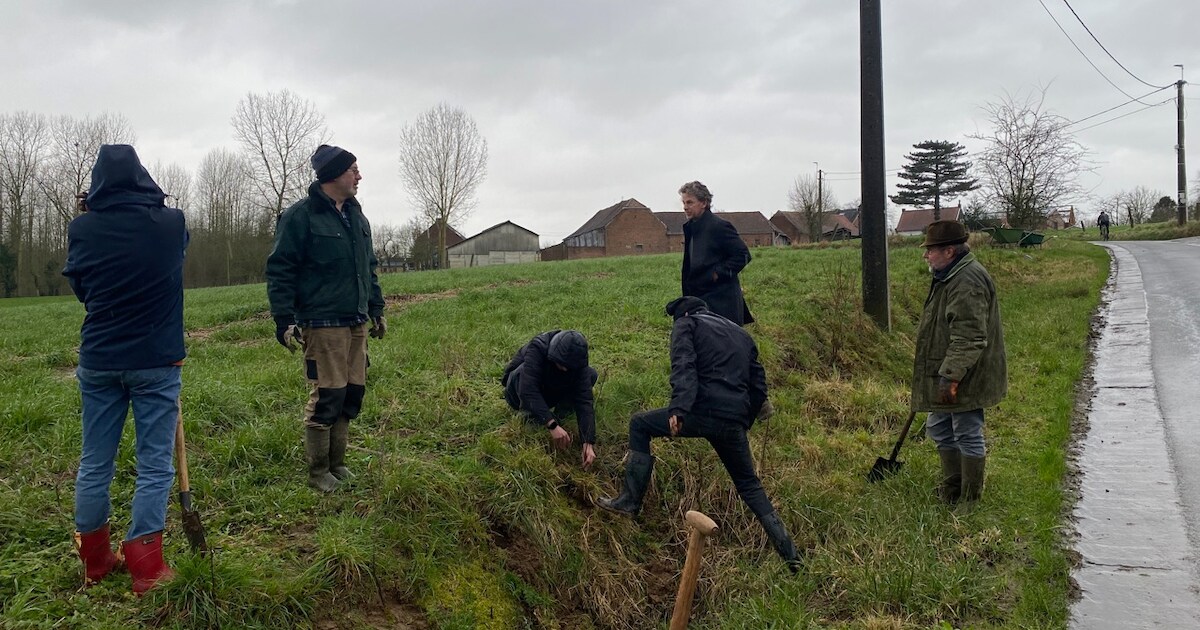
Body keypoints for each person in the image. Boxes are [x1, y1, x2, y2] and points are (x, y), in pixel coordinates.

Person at [62, 144, 188, 595]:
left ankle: (96, 559)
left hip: (99, 360)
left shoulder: (82, 229)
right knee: (154, 465)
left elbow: (81, 286)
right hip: (156, 361)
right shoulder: (171, 225)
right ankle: (146, 566)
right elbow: (175, 261)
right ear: (143, 178)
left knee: (95, 461)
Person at [597, 297, 801, 572]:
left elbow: (684, 366)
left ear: (682, 314)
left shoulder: (686, 324)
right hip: (733, 421)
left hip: (700, 413)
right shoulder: (739, 333)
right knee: (750, 487)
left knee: (639, 425)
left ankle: (629, 501)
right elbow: (758, 385)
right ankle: (792, 558)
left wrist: (679, 409)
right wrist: (743, 420)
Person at [266, 144, 385, 493]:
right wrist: (283, 319)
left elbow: (369, 268)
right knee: (328, 395)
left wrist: (376, 309)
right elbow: (280, 270)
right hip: (322, 322)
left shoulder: (357, 218)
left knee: (352, 394)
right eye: (354, 170)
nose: (359, 176)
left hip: (356, 320)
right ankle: (318, 473)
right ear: (334, 174)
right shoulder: (299, 217)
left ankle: (338, 464)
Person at [914, 221, 1007, 507]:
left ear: (950, 251)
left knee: (966, 432)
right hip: (947, 370)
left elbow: (970, 336)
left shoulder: (967, 281)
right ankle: (952, 490)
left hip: (966, 373)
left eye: (931, 250)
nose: (926, 256)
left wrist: (951, 377)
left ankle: (969, 500)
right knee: (940, 429)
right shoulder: (948, 275)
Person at [502, 330, 598, 469]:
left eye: (569, 367)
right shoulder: (538, 347)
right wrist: (551, 424)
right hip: (517, 393)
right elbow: (527, 390)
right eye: (562, 364)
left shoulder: (579, 361)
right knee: (522, 373)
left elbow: (585, 400)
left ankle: (560, 415)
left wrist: (588, 441)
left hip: (550, 390)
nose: (565, 369)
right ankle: (530, 415)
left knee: (590, 375)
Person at [678, 181, 754, 326]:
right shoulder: (690, 227)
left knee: (725, 346)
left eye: (690, 202)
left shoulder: (719, 226)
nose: (685, 207)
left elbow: (743, 255)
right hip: (700, 301)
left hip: (722, 302)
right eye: (684, 203)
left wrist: (717, 274)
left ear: (704, 203)